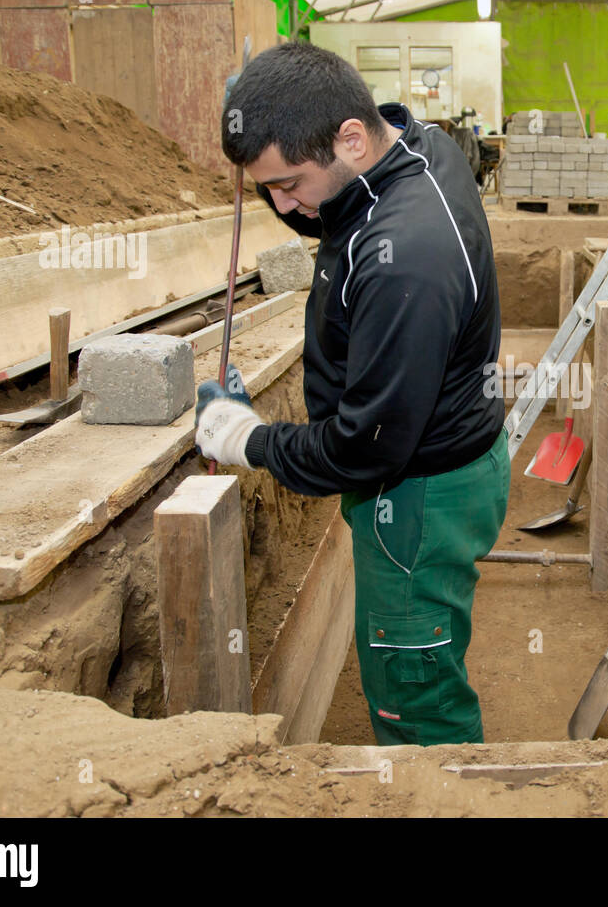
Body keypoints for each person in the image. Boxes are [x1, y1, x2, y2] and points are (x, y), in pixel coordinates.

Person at [194, 42, 509, 747]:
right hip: (446, 462)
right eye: (266, 189)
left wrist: (245, 439)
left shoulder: (408, 261)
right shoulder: (419, 146)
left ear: (352, 139)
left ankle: (440, 787)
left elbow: (365, 448)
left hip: (415, 496)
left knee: (414, 697)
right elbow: (325, 206)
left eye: (288, 184)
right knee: (414, 655)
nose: (284, 206)